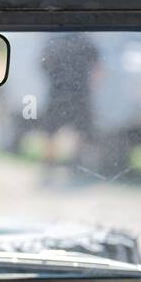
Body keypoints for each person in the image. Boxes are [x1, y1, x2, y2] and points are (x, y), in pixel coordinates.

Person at [39, 32, 101, 180]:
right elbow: (98, 69)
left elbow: (42, 65)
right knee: (78, 130)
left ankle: (52, 164)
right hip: (78, 93)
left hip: (58, 92)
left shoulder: (54, 41)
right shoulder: (85, 41)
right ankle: (72, 164)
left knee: (51, 131)